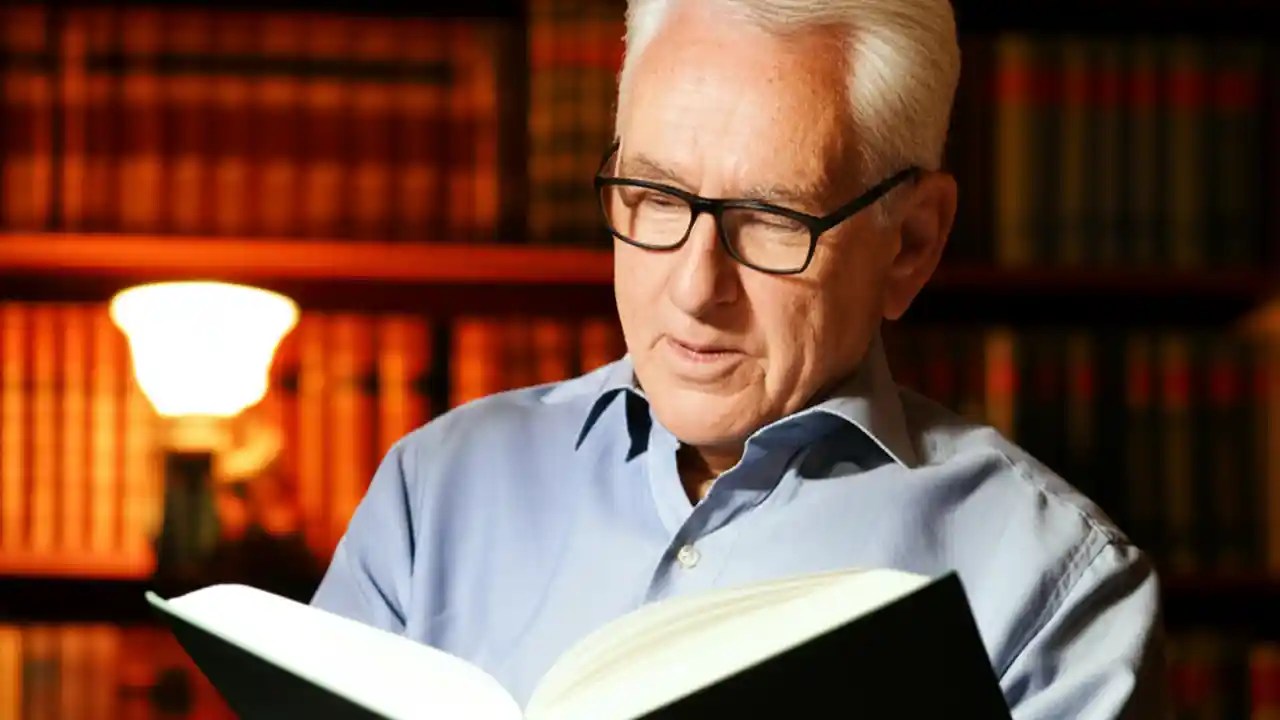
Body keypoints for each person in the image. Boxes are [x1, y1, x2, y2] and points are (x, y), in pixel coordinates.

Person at [310, 0, 1165, 716]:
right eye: (652, 197)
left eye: (770, 221)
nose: (691, 287)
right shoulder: (436, 493)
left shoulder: (1056, 590)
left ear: (910, 244)